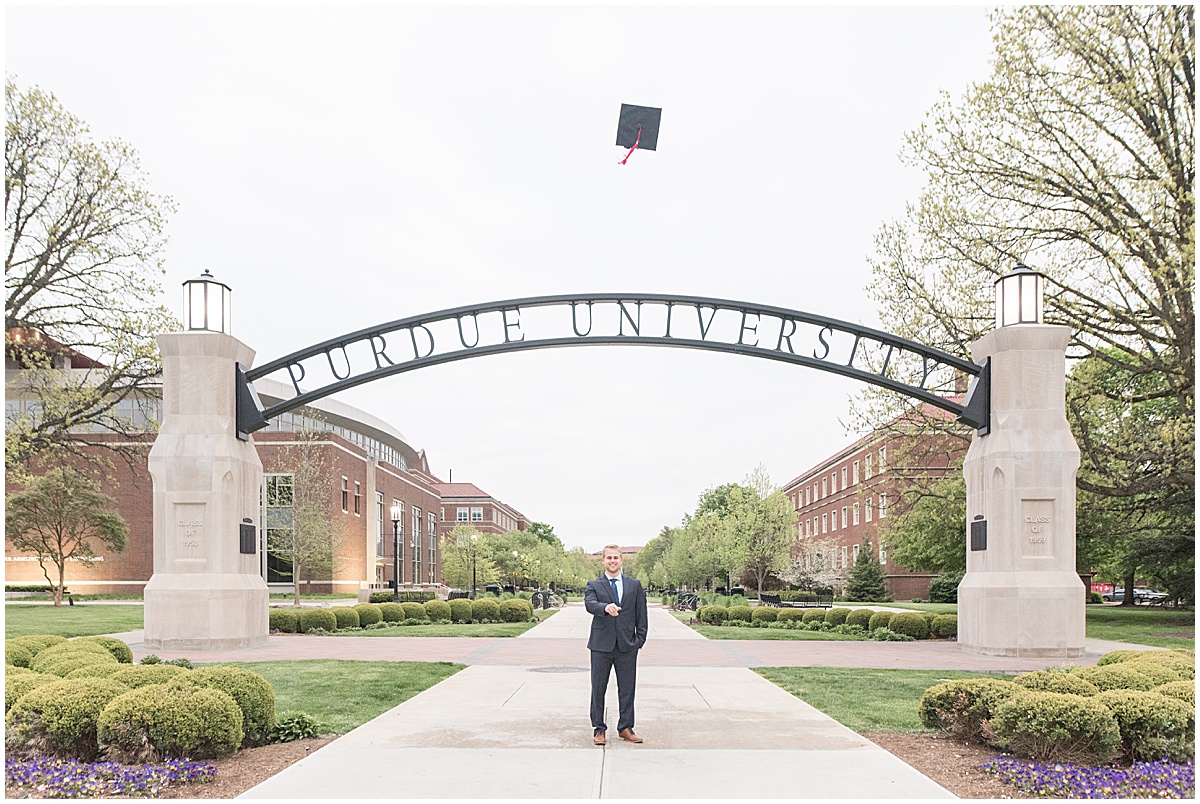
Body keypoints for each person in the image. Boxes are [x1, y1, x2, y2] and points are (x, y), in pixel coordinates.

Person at [584, 544, 648, 745]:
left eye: (616, 558)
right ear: (603, 560)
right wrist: (605, 607)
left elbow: (641, 614)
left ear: (621, 560)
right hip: (601, 645)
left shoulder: (634, 585)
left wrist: (639, 640)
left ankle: (626, 727)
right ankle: (599, 729)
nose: (612, 561)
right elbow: (590, 605)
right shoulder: (594, 585)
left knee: (627, 688)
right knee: (598, 688)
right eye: (608, 558)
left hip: (627, 645)